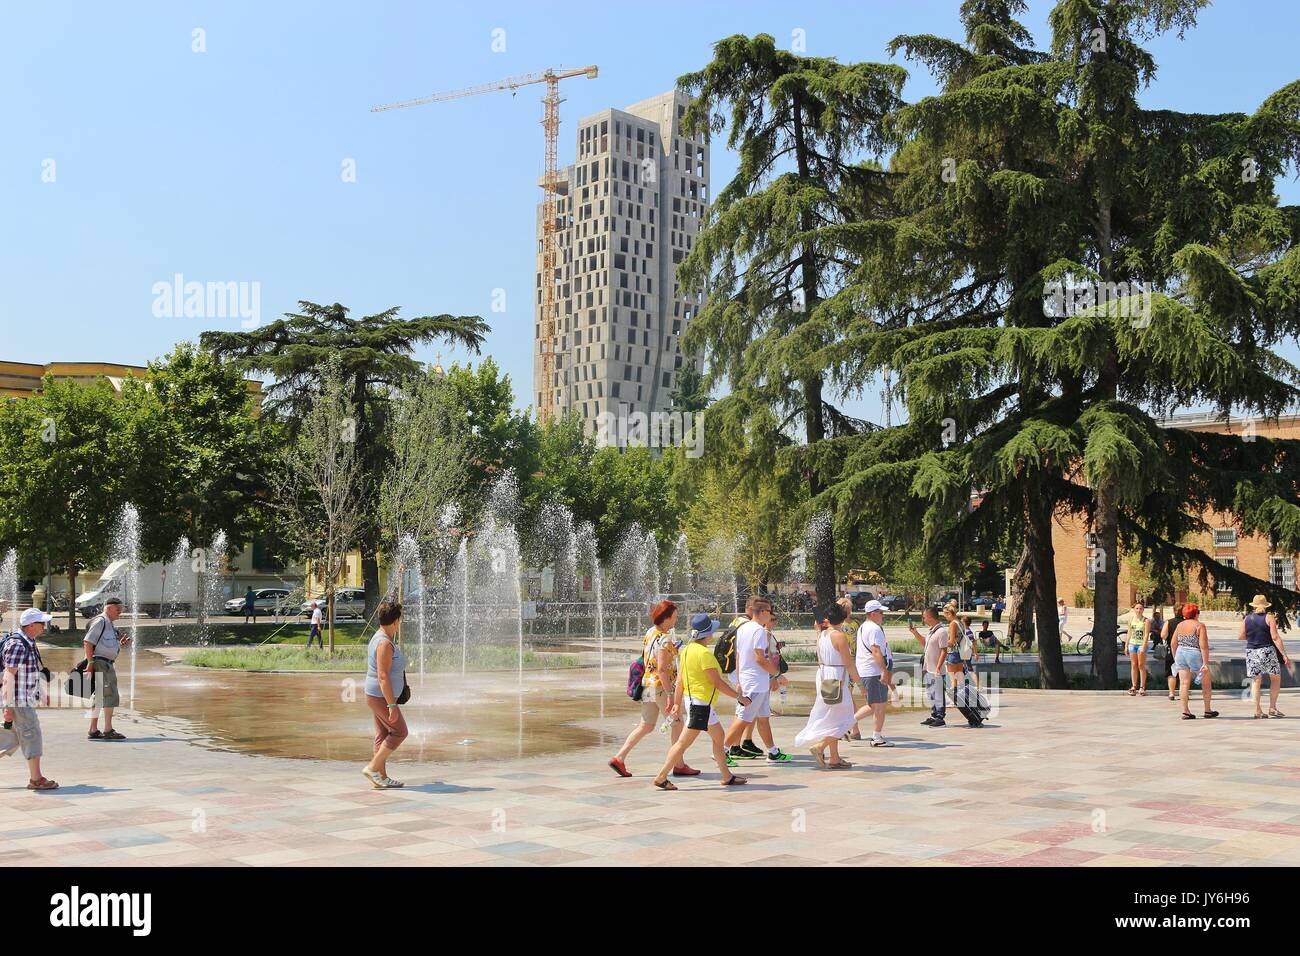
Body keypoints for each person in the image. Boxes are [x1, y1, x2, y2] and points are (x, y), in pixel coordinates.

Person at [651, 614, 749, 790]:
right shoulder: (704, 654)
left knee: (719, 738)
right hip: (701, 705)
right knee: (683, 743)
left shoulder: (687, 650)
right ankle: (661, 776)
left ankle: (726, 776)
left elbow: (680, 680)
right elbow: (717, 682)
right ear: (708, 634)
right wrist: (739, 697)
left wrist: (676, 702)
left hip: (696, 703)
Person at [608, 600, 699, 778]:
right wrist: (671, 696)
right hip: (660, 687)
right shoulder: (664, 638)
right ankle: (678, 764)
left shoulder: (651, 632)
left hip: (647, 684)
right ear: (667, 618)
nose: (676, 619)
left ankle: (619, 757)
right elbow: (662, 669)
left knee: (646, 725)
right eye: (674, 616)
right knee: (677, 724)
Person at [723, 599, 792, 763]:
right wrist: (777, 675)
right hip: (754, 682)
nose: (771, 615)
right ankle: (722, 751)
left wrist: (740, 679)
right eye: (770, 611)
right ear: (763, 612)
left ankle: (773, 752)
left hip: (752, 681)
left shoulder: (743, 628)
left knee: (763, 717)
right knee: (743, 718)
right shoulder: (759, 631)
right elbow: (760, 659)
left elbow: (738, 656)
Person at [795, 603, 862, 767]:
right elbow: (849, 663)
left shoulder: (822, 634)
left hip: (825, 677)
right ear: (842, 617)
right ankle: (820, 746)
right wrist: (861, 684)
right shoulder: (839, 636)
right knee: (846, 719)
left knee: (833, 718)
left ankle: (834, 757)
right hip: (837, 677)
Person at [1, 609, 57, 790]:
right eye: (42, 623)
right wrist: (7, 706)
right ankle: (36, 779)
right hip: (18, 700)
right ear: (31, 625)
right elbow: (9, 676)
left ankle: (36, 778)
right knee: (32, 735)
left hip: (24, 698)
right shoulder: (18, 645)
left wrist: (40, 691)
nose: (44, 627)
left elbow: (29, 673)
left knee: (13, 739)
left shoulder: (29, 642)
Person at [362, 600, 408, 788]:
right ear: (396, 621)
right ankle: (373, 767)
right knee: (400, 731)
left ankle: (380, 777)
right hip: (380, 697)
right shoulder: (384, 643)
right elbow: (382, 676)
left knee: (382, 734)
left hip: (377, 695)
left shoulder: (381, 638)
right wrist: (392, 705)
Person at [85, 597, 131, 741]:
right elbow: (87, 642)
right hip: (101, 663)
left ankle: (93, 729)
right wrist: (90, 663)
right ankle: (108, 729)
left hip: (104, 663)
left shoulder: (109, 623)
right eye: (118, 609)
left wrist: (118, 644)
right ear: (109, 608)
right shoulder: (101, 621)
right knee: (110, 695)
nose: (120, 613)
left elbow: (104, 643)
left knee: (99, 697)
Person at [1240, 594, 1291, 719]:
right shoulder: (1269, 617)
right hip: (1267, 650)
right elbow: (1275, 637)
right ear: (1266, 606)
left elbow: (1241, 636)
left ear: (1254, 605)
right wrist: (1284, 655)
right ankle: (1272, 707)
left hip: (1251, 651)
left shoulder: (1247, 619)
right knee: (1275, 678)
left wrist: (1253, 637)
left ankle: (1257, 710)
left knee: (1256, 680)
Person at [853, 600, 895, 746]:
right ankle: (876, 738)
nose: (883, 615)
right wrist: (883, 671)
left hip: (866, 671)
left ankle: (849, 725)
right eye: (881, 613)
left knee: (875, 705)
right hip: (873, 671)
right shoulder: (874, 629)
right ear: (873, 614)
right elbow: (876, 651)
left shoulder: (863, 627)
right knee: (878, 705)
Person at [1172, 603, 1217, 720]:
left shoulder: (1180, 625)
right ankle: (1207, 710)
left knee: (1183, 683)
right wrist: (1205, 663)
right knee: (1206, 683)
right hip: (1194, 653)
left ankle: (1185, 711)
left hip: (1180, 652)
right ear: (1196, 613)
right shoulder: (1199, 626)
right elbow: (1203, 646)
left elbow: (1173, 643)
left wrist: (1175, 657)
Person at [911, 606, 948, 727]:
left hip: (936, 669)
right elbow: (924, 643)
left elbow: (944, 651)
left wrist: (938, 666)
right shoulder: (932, 630)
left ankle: (940, 717)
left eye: (924, 617)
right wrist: (915, 632)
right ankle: (934, 715)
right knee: (930, 693)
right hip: (928, 668)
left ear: (931, 617)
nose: (923, 619)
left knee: (938, 693)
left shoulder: (941, 632)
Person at [837, 596, 864, 741]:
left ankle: (849, 728)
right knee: (847, 696)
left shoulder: (840, 627)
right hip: (854, 664)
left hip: (842, 665)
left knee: (842, 698)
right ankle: (854, 729)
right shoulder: (856, 624)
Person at [1125, 601, 1150, 696]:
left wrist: (1144, 645)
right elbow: (1129, 633)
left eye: (1140, 608)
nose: (1139, 610)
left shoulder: (1146, 620)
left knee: (1141, 665)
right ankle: (1134, 686)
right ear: (1134, 609)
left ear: (1143, 610)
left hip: (1140, 644)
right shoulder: (1131, 619)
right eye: (1137, 608)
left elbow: (1146, 634)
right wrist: (1126, 645)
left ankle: (1142, 686)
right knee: (1134, 664)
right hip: (1132, 644)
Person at [1159, 605, 1182, 700]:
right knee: (1183, 672)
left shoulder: (1169, 622)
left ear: (1174, 611)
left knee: (1171, 672)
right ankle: (1183, 693)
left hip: (1171, 650)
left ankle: (1171, 693)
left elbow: (1163, 635)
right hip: (1184, 650)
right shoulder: (1186, 622)